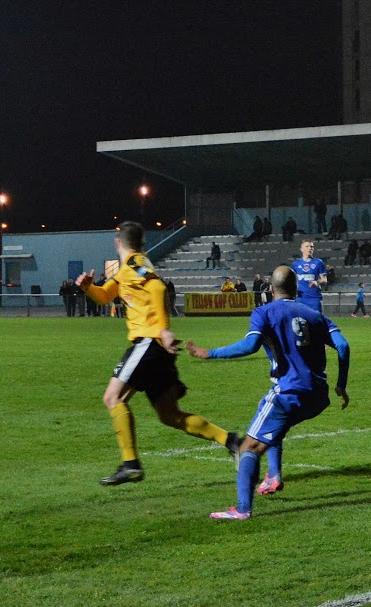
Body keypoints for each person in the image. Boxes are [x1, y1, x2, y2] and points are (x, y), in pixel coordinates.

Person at [76, 222, 237, 486]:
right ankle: (231, 441)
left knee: (112, 397)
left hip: (149, 344)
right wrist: (87, 288)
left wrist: (162, 329)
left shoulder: (135, 264)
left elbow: (158, 288)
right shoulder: (127, 269)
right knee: (169, 415)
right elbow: (105, 296)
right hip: (155, 349)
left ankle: (131, 464)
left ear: (118, 243)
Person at [190, 265, 350, 521]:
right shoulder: (314, 314)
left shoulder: (263, 312)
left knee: (247, 447)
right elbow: (343, 345)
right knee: (271, 419)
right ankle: (273, 475)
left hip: (290, 392)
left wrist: (210, 353)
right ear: (296, 288)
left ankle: (242, 509)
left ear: (270, 288)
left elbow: (250, 345)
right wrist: (341, 384)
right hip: (318, 395)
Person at [291, 239, 328, 313]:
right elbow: (292, 281)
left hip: (314, 298)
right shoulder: (295, 264)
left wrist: (316, 282)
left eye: (311, 246)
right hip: (300, 298)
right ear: (301, 249)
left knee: (317, 322)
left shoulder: (318, 262)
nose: (310, 248)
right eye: (307, 246)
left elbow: (324, 280)